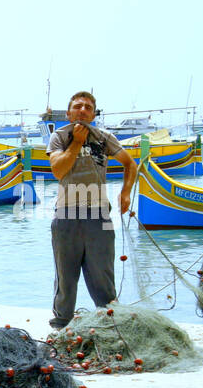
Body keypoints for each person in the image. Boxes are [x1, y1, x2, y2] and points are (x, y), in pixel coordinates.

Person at [46, 91, 137, 328]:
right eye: (77, 106)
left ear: (94, 114)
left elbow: (130, 164)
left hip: (100, 216)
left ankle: (110, 324)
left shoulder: (104, 137)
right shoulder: (59, 137)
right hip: (66, 215)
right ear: (68, 113)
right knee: (65, 279)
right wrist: (76, 142)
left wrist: (125, 192)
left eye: (88, 107)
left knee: (103, 277)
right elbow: (58, 170)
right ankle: (61, 325)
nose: (82, 110)